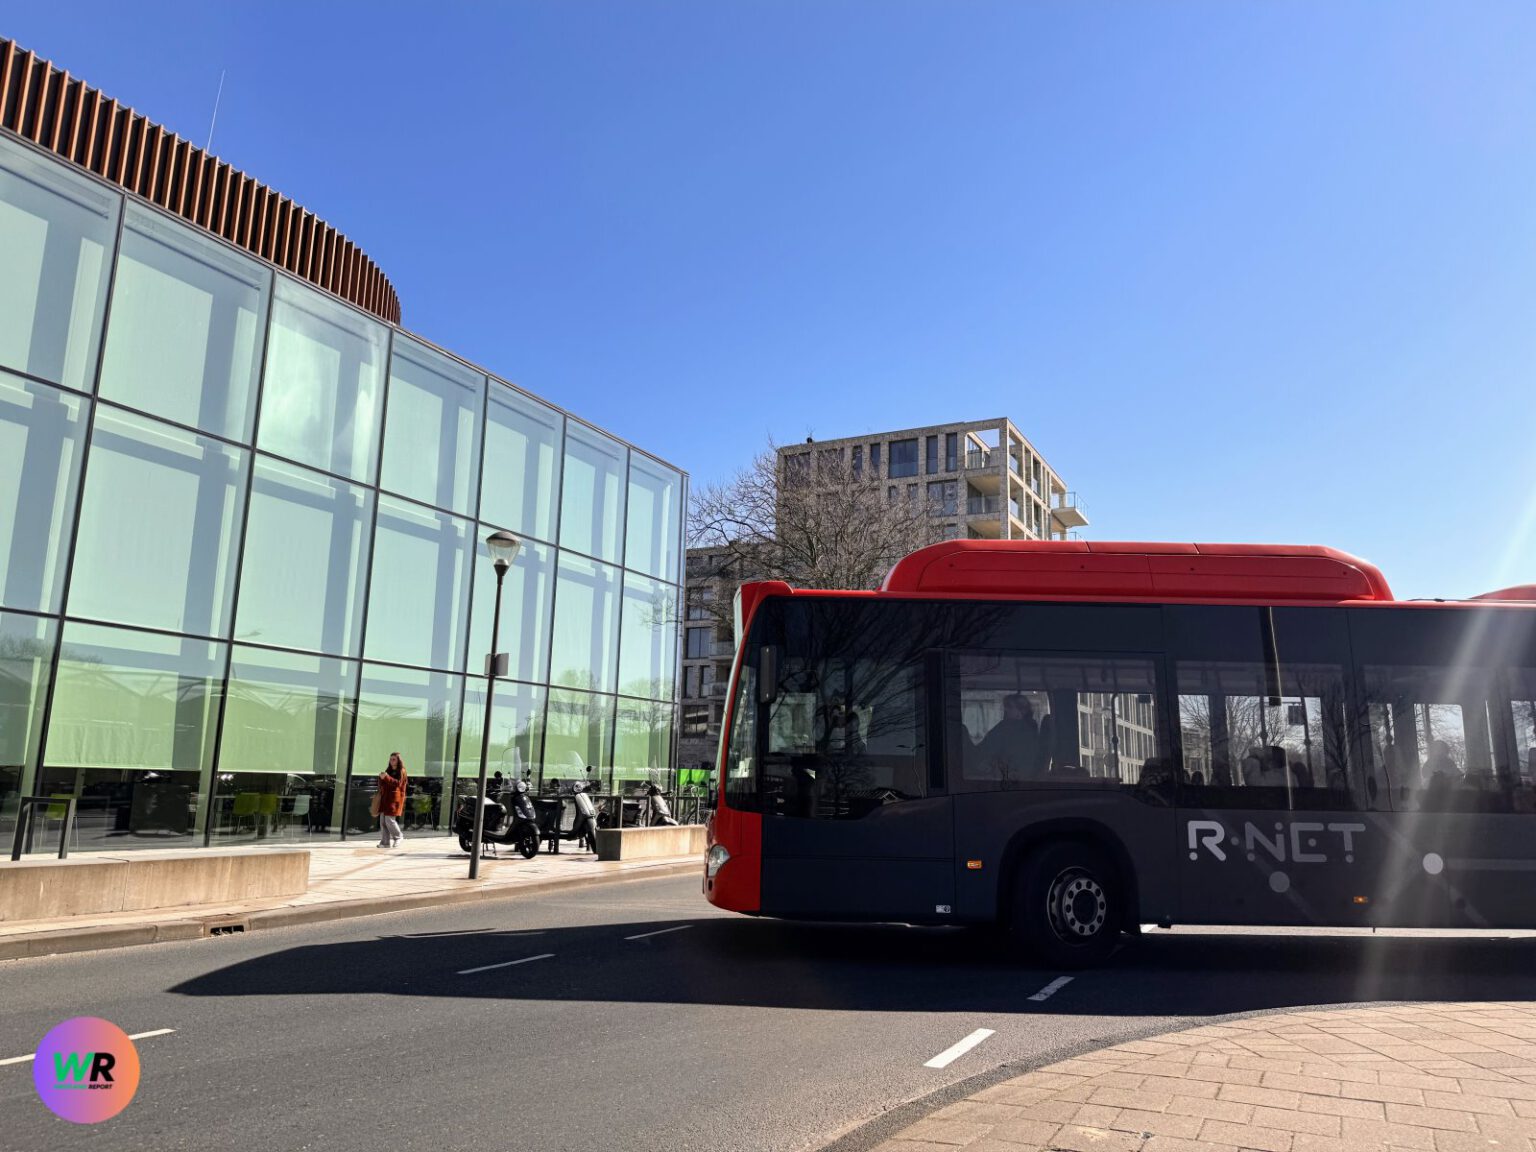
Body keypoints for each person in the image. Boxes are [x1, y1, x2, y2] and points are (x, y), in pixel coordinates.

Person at [973, 694, 1044, 781]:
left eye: (1010, 707)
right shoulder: (1031, 729)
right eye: (1005, 706)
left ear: (1022, 710)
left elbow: (986, 749)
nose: (1006, 709)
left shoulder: (1007, 728)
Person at [377, 753, 407, 848]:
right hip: (385, 798)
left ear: (398, 760)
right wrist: (381, 777)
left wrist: (386, 777)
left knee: (389, 820)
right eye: (390, 759)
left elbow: (398, 783)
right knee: (382, 820)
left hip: (394, 799)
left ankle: (398, 837)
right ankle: (385, 842)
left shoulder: (401, 771)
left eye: (394, 759)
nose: (391, 761)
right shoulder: (388, 770)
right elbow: (384, 783)